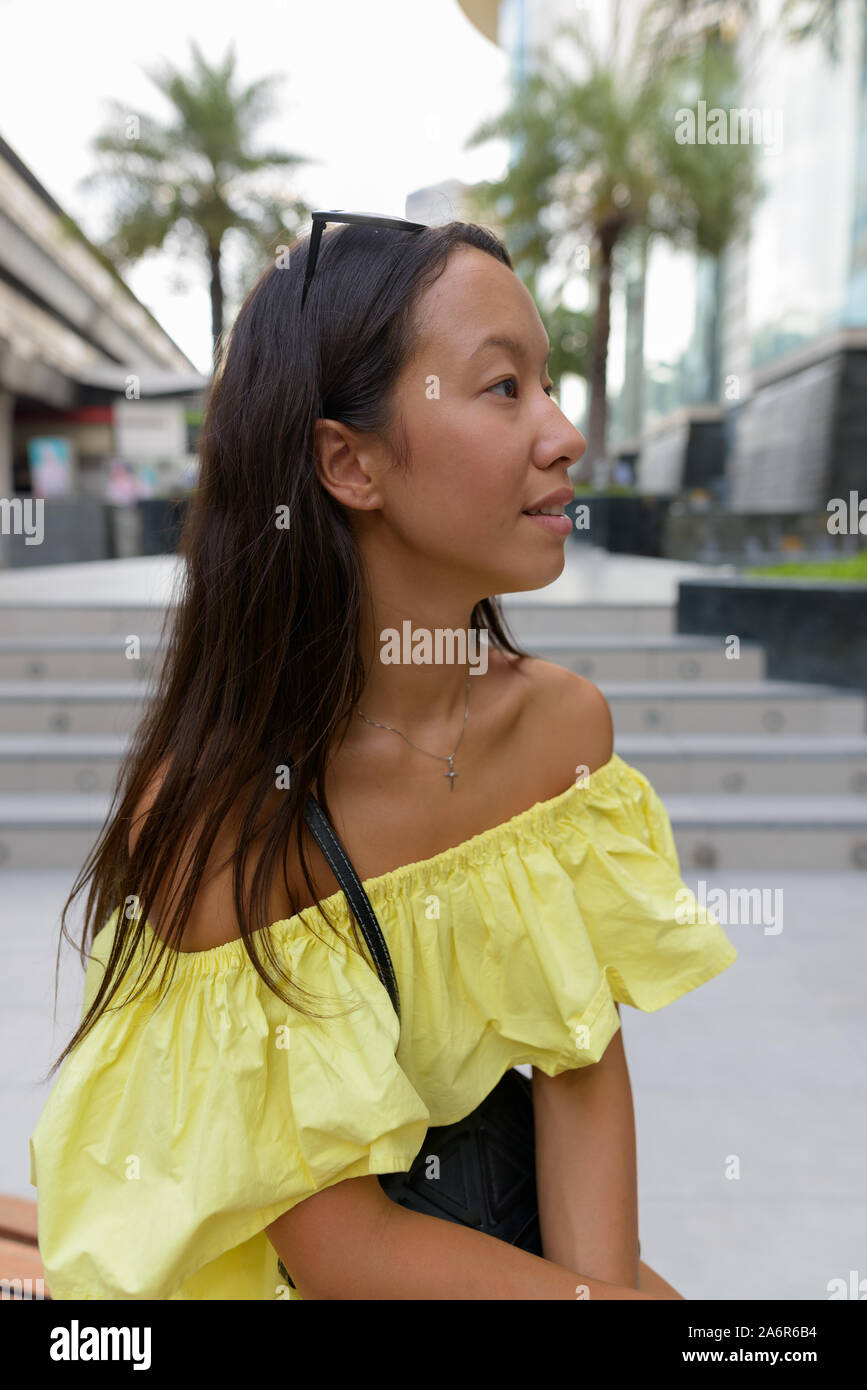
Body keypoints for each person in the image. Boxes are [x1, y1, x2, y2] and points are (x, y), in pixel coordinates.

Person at [29, 217, 737, 1300]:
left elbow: (579, 1057)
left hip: (479, 1239)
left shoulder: (561, 732)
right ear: (348, 462)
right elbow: (340, 1249)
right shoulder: (230, 819)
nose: (563, 434)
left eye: (549, 383)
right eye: (505, 388)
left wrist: (602, 1291)